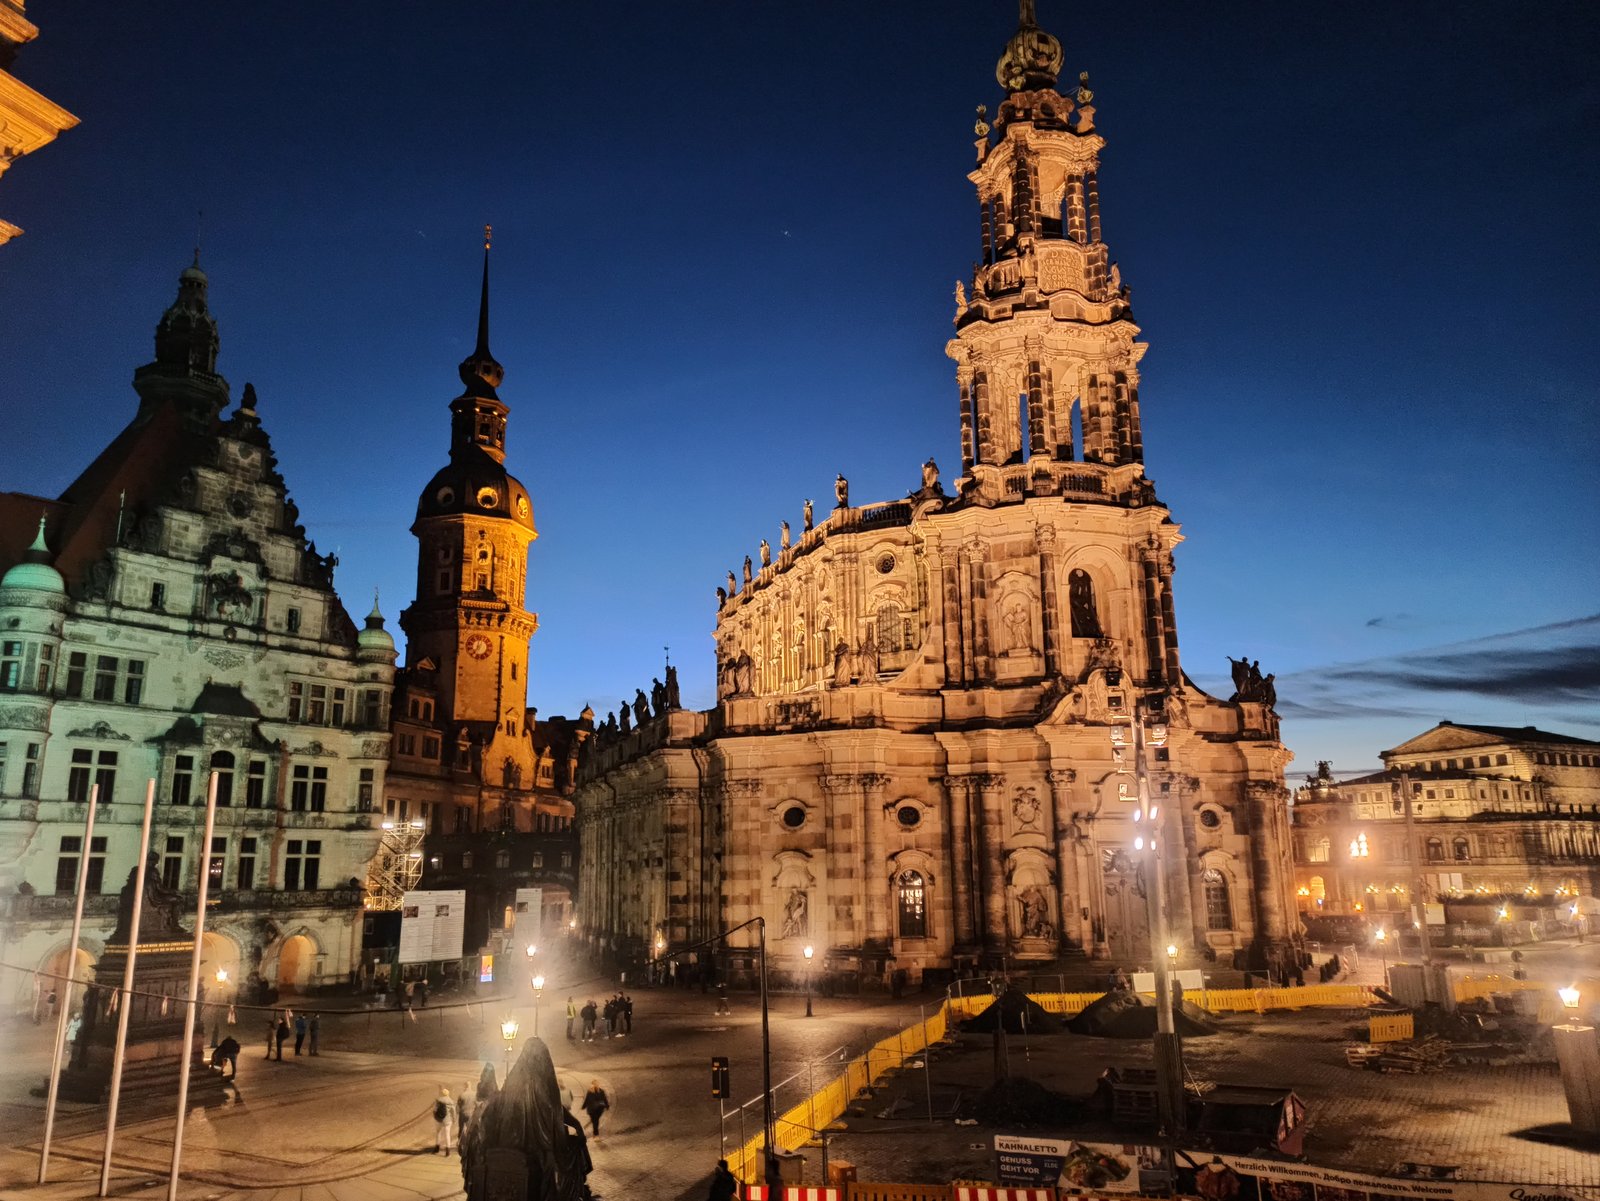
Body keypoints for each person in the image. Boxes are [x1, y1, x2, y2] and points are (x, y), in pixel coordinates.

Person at [433, 1086, 457, 1155]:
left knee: (438, 1133)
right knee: (447, 1134)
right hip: (448, 1120)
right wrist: (454, 1119)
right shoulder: (451, 1101)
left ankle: (437, 1147)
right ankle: (447, 1150)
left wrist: (435, 1117)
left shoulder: (438, 1100)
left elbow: (434, 1110)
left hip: (439, 1120)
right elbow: (453, 1111)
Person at [457, 1079, 475, 1146]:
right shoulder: (475, 1094)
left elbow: (458, 1106)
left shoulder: (462, 1095)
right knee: (470, 1129)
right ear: (470, 1085)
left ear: (465, 1086)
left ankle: (460, 1142)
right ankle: (469, 1143)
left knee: (461, 1128)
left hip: (463, 1113)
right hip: (471, 1114)